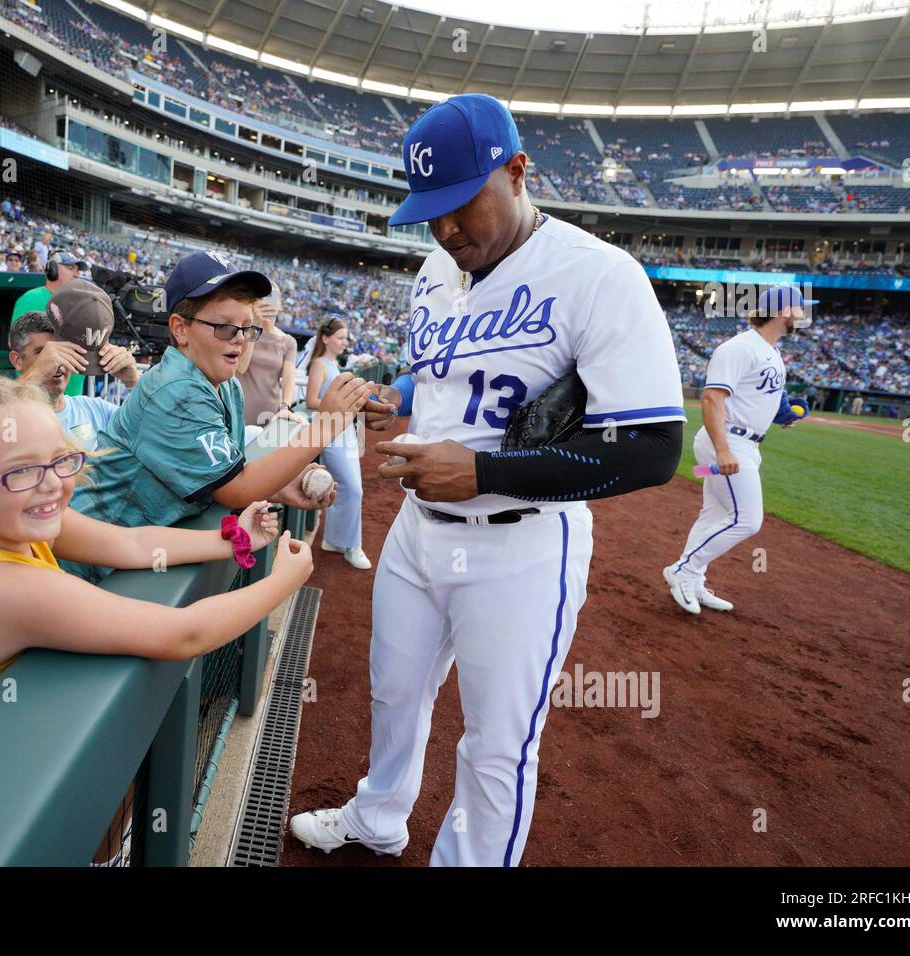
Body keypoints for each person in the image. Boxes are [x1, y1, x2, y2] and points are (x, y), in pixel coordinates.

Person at [289, 94, 685, 867]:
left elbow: (652, 449)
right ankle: (378, 819)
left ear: (517, 170)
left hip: (523, 544)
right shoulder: (438, 266)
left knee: (496, 748)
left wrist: (486, 471)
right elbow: (442, 374)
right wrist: (394, 399)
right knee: (394, 697)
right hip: (415, 532)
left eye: (461, 204)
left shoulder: (601, 275)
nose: (444, 228)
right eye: (429, 210)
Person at [0, 376, 311, 744]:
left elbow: (130, 546)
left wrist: (231, 539)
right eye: (21, 470)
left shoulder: (2, 522)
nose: (52, 485)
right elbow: (181, 633)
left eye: (61, 460)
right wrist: (284, 581)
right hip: (3, 807)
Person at [61, 252, 381, 585]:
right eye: (225, 327)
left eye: (246, 328)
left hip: (122, 554)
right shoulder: (177, 389)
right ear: (181, 329)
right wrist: (325, 427)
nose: (240, 339)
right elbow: (235, 490)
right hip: (81, 564)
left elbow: (226, 471)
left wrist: (281, 488)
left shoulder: (225, 384)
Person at [664, 286, 814, 615]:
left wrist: (786, 416)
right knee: (747, 519)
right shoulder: (740, 348)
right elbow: (712, 398)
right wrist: (722, 450)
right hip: (728, 442)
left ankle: (695, 578)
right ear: (784, 310)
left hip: (746, 445)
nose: (804, 315)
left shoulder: (771, 352)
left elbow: (765, 399)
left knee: (716, 514)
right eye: (801, 308)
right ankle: (684, 570)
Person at [8, 310, 140, 452]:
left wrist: (134, 382)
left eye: (65, 350)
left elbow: (154, 432)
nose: (56, 361)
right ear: (17, 361)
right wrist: (38, 374)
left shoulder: (95, 410)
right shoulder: (6, 417)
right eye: (44, 353)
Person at [305, 318, 370, 570]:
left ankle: (334, 540)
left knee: (349, 488)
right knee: (353, 489)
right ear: (325, 338)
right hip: (332, 433)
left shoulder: (333, 364)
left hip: (345, 431)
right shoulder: (320, 364)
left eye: (346, 338)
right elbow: (311, 400)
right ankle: (352, 545)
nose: (345, 342)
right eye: (341, 337)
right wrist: (343, 403)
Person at [12, 251, 85, 396]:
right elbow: (17, 343)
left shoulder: (77, 302)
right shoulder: (31, 298)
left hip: (71, 395)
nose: (76, 274)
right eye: (71, 268)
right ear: (52, 270)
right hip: (37, 394)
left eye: (77, 270)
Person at [235, 282, 302, 428]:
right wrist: (255, 325)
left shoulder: (288, 342)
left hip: (269, 414)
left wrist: (285, 406)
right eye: (263, 298)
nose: (267, 303)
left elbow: (288, 380)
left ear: (280, 305)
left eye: (273, 297)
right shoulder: (243, 332)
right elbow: (240, 367)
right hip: (239, 409)